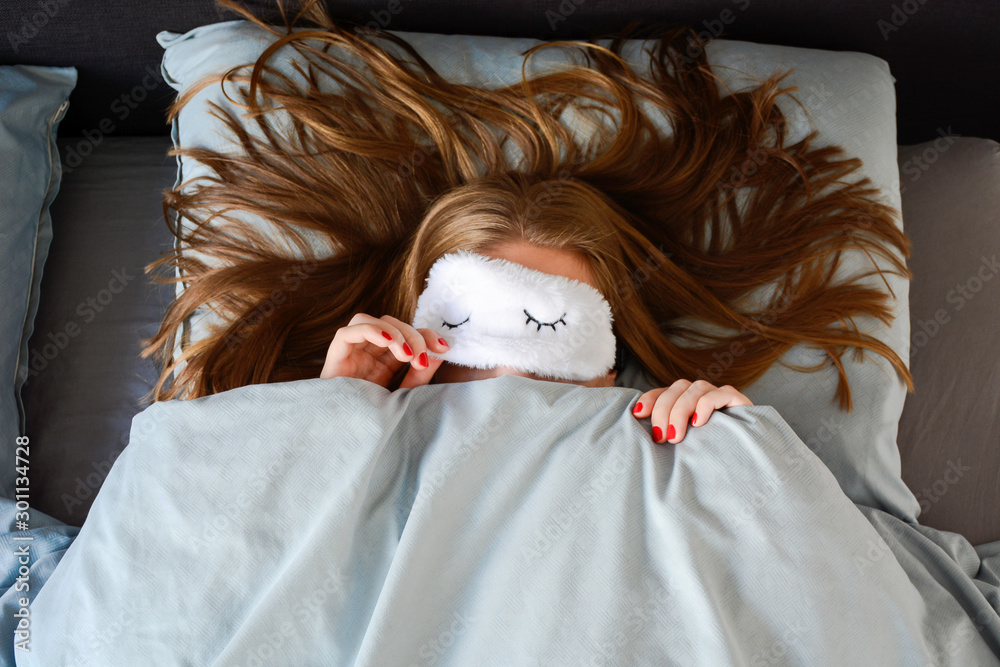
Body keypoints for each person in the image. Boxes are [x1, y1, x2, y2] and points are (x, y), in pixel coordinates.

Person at [140, 0, 914, 425]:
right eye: (471, 343)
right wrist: (326, 420)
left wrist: (741, 461)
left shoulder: (660, 462)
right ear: (413, 334)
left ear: (609, 372)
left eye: (549, 346)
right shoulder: (339, 431)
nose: (506, 388)